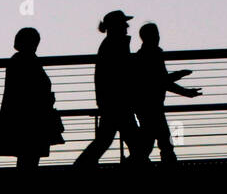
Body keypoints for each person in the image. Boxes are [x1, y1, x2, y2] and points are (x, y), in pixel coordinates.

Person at [74, 10, 145, 166]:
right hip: (118, 102)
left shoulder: (111, 44)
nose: (127, 26)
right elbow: (123, 72)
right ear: (116, 26)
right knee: (135, 145)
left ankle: (81, 166)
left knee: (106, 141)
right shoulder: (115, 45)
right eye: (123, 23)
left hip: (112, 102)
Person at [0, 27, 64, 169]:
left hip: (26, 119)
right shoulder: (27, 61)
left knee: (27, 159)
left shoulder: (19, 60)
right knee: (30, 158)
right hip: (32, 119)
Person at [132, 22, 201, 164]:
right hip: (152, 106)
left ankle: (137, 164)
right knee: (161, 142)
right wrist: (181, 81)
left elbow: (161, 80)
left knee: (151, 143)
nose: (158, 37)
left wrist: (183, 87)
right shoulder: (153, 54)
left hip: (146, 105)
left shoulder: (142, 55)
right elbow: (161, 81)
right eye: (155, 34)